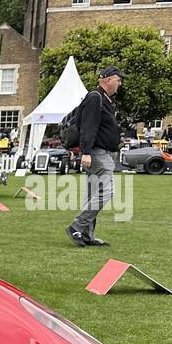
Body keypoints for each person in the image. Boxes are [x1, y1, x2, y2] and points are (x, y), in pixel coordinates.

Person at [67, 65, 123, 248]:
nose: (120, 83)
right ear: (107, 79)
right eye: (118, 79)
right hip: (98, 153)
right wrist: (87, 152)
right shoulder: (95, 97)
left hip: (101, 152)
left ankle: (86, 235)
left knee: (93, 195)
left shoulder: (104, 99)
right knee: (107, 192)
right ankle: (77, 226)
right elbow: (88, 127)